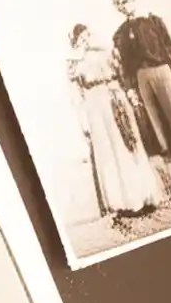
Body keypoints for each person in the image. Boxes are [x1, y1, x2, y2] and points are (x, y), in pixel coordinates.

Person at [67, 24, 164, 215]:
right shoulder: (74, 63)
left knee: (129, 144)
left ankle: (144, 194)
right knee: (110, 149)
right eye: (81, 38)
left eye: (87, 35)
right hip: (96, 103)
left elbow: (121, 75)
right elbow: (76, 94)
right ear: (76, 41)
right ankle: (123, 201)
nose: (86, 40)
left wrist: (127, 94)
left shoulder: (106, 53)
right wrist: (83, 121)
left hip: (116, 97)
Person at [111, 0, 171, 202]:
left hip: (163, 73)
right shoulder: (119, 34)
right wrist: (130, 89)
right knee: (159, 132)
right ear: (117, 8)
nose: (124, 5)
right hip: (141, 79)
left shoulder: (154, 21)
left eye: (126, 0)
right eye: (119, 3)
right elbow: (125, 67)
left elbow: (168, 47)